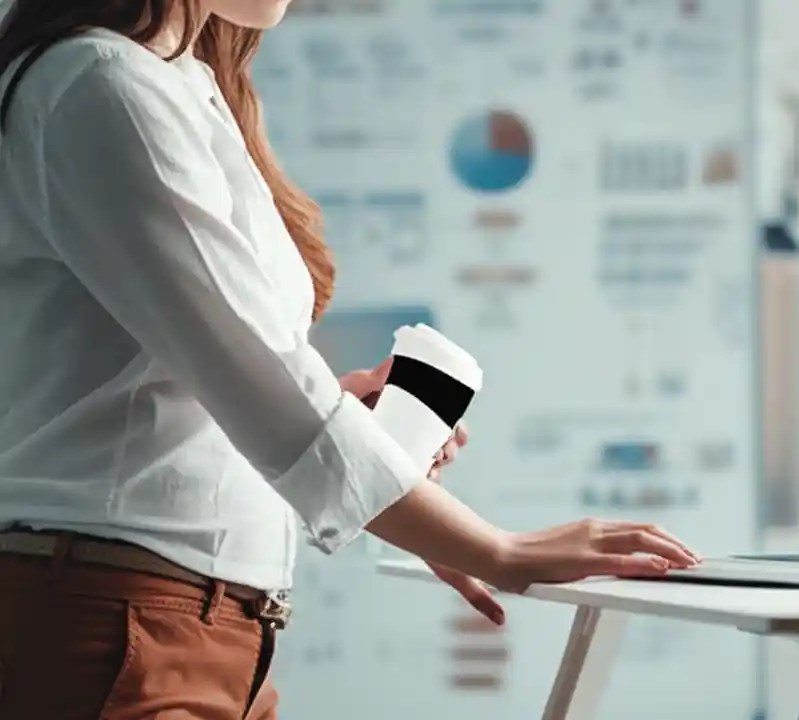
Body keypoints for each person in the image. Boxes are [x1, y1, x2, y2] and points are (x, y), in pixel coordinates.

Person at [0, 1, 700, 718]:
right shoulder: (101, 82)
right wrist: (498, 550)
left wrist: (361, 435)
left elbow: (201, 380)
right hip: (120, 626)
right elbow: (267, 384)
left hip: (191, 628)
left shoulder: (171, 84)